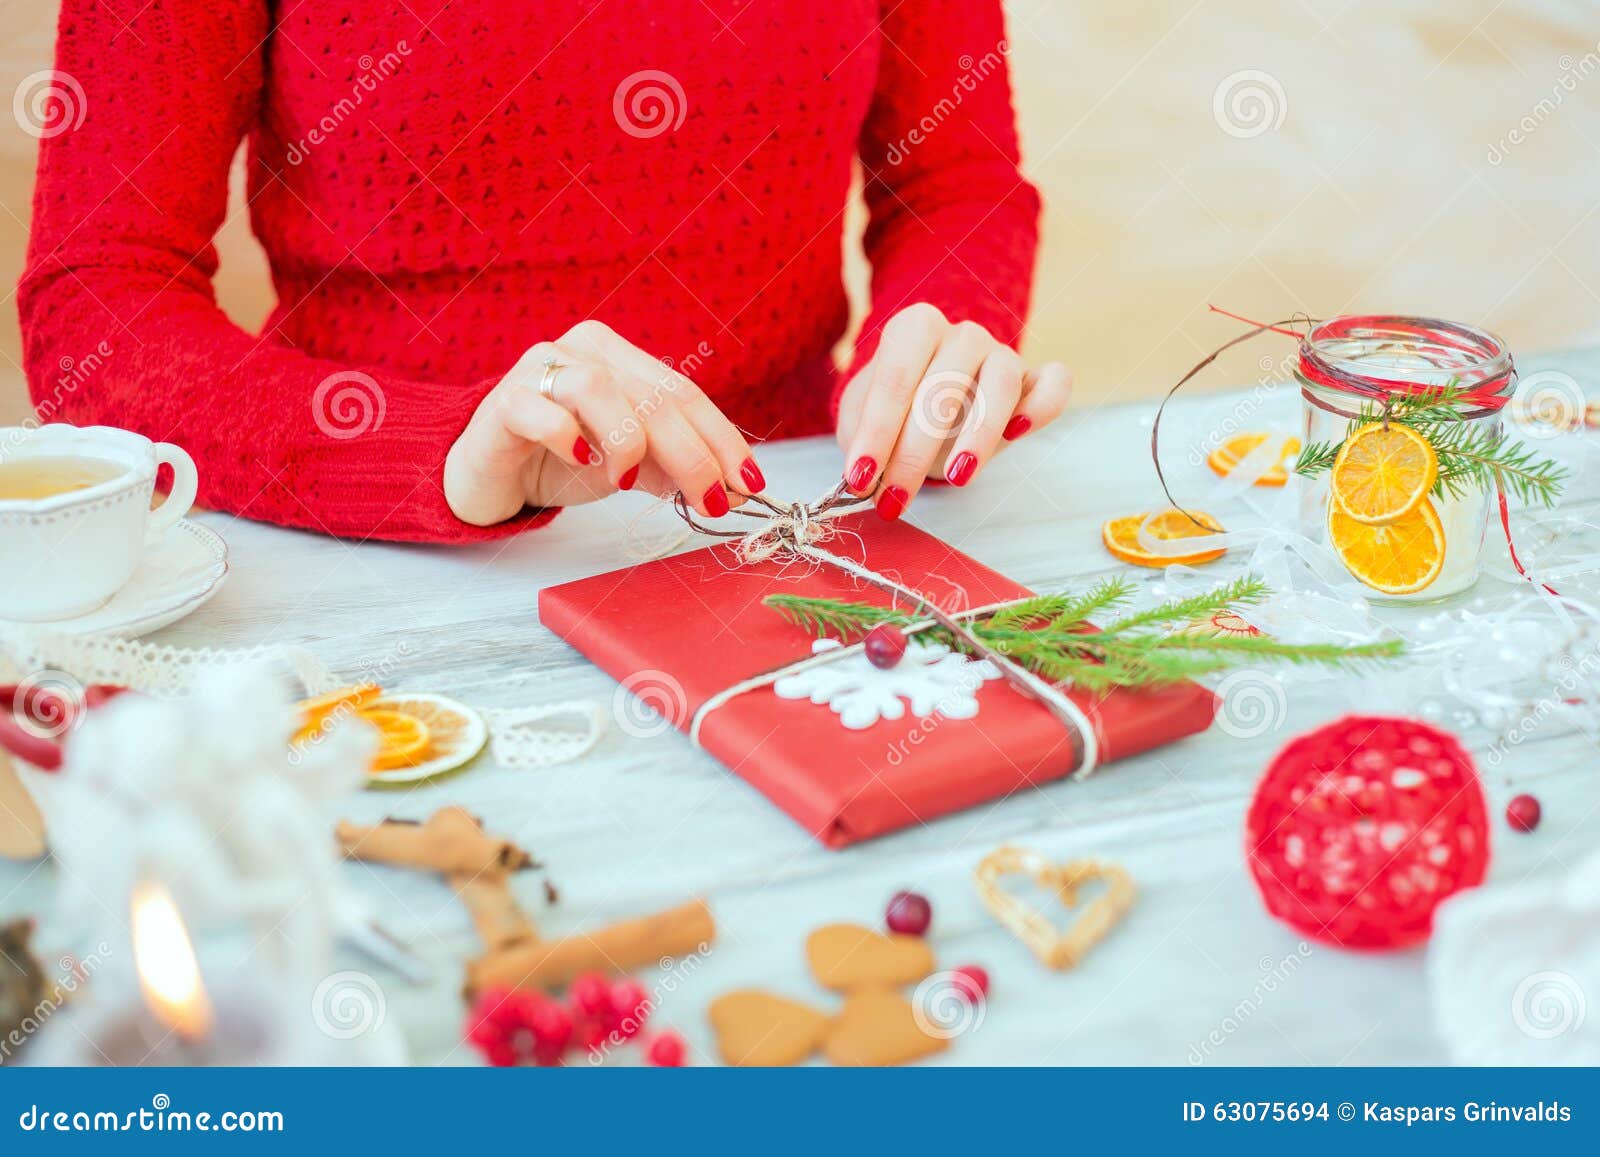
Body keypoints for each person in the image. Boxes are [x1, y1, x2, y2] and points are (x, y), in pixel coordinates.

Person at [18, 1, 1070, 543]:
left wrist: (922, 350)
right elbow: (98, 293)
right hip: (377, 568)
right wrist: (429, 451)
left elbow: (955, 179)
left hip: (784, 529)